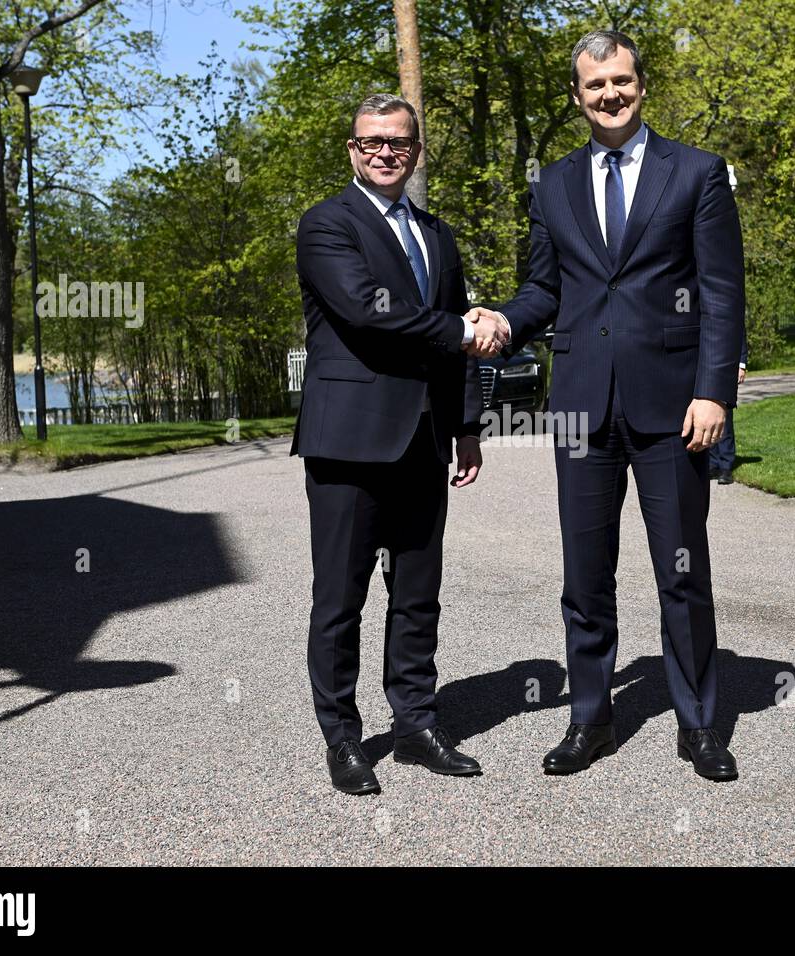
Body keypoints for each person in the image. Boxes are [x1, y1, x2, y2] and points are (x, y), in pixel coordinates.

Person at [472, 30, 746, 781]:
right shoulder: (552, 184)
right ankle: (590, 719)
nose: (610, 95)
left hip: (674, 408)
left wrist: (713, 390)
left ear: (642, 84)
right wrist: (502, 319)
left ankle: (699, 726)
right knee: (584, 573)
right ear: (577, 96)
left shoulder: (695, 173)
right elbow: (543, 290)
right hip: (581, 408)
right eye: (595, 86)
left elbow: (721, 293)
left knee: (681, 572)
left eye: (621, 80)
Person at [291, 93, 508, 796]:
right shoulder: (328, 225)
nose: (385, 152)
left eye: (399, 143)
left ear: (416, 151)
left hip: (423, 441)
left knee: (418, 596)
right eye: (371, 141)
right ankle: (344, 738)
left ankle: (415, 723)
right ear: (352, 149)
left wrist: (468, 425)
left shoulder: (437, 235)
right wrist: (462, 329)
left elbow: (454, 351)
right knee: (341, 598)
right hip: (347, 444)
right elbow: (367, 309)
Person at [709, 336, 748, 484]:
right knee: (708, 416)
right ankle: (712, 463)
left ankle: (726, 466)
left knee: (725, 418)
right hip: (706, 367)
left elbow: (740, 336)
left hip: (726, 368)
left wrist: (741, 365)